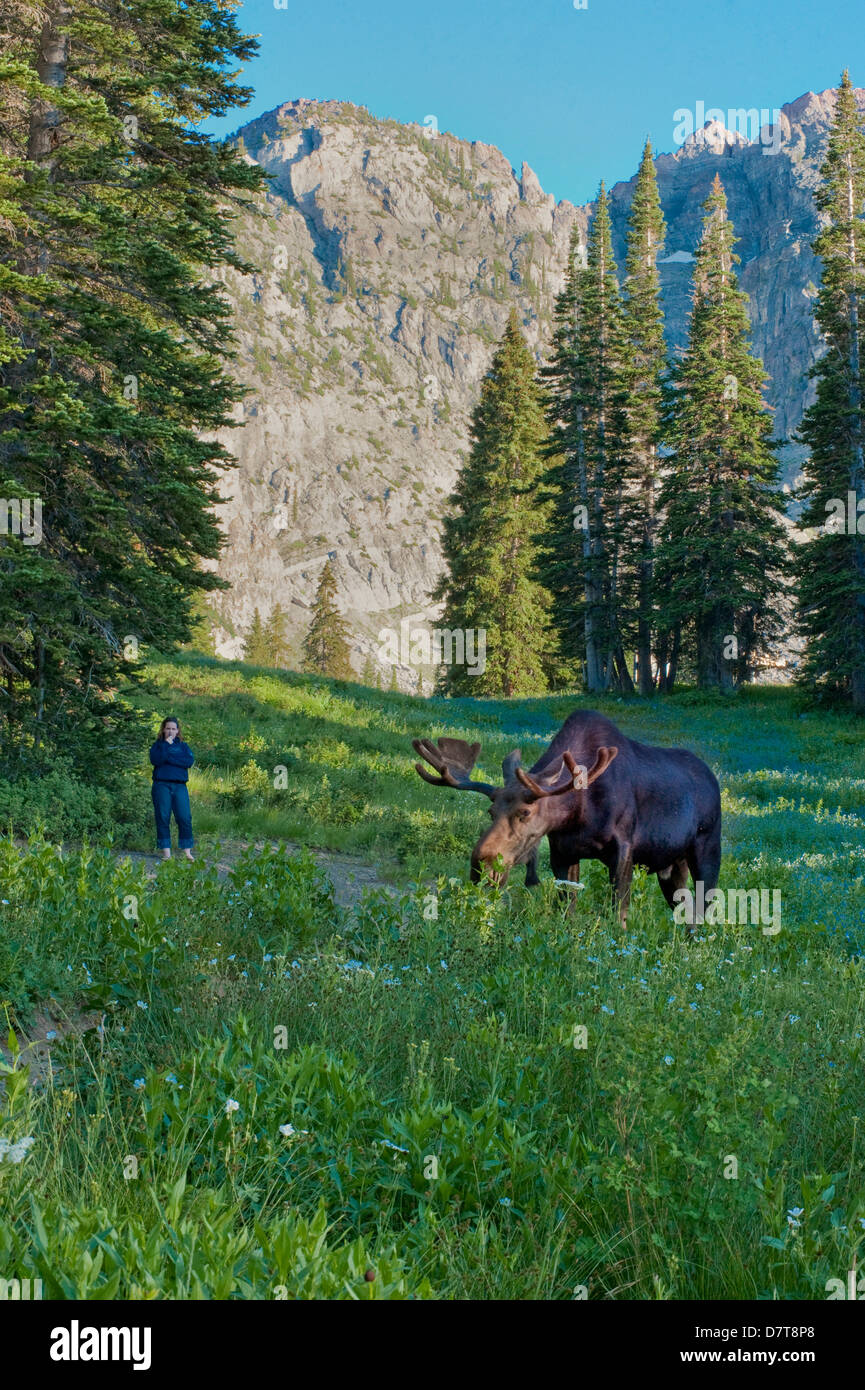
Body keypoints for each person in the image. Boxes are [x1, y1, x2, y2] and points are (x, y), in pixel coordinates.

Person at [149, 717, 195, 861]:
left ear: (178, 730)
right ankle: (166, 853)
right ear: (163, 729)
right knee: (163, 817)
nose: (170, 731)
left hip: (180, 786)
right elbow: (156, 760)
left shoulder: (184, 746)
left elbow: (188, 762)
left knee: (184, 817)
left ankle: (187, 852)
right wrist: (166, 748)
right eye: (168, 728)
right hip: (161, 785)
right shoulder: (158, 746)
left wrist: (169, 758)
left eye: (173, 729)